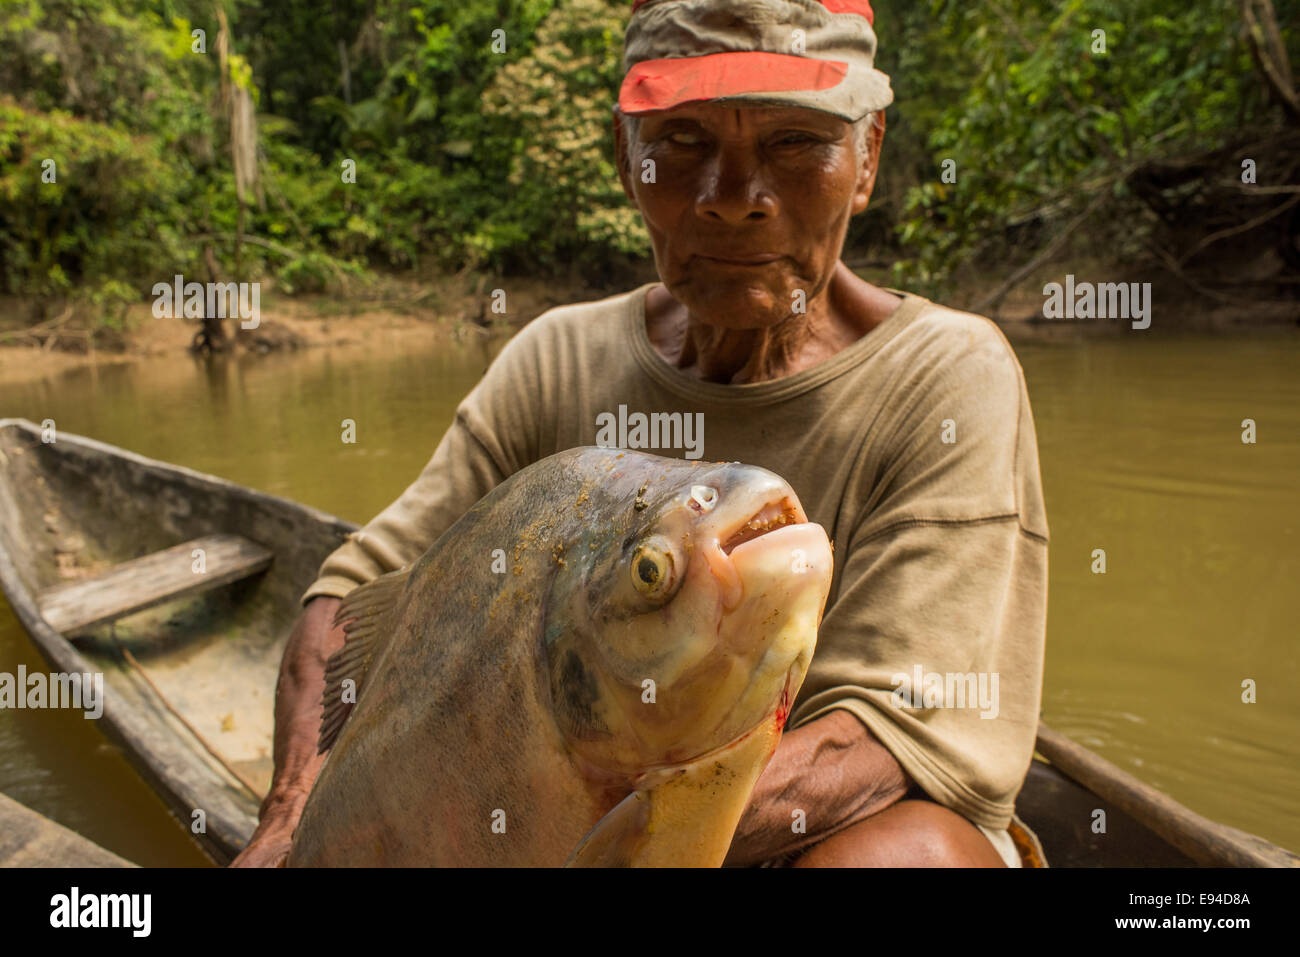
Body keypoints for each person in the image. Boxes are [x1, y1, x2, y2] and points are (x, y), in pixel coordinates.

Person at [232, 0, 1050, 868]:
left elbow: (886, 741)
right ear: (626, 161)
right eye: (686, 141)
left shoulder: (949, 377)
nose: (736, 199)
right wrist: (291, 818)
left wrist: (601, 835)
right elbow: (353, 595)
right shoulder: (556, 357)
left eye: (793, 141)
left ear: (866, 159)